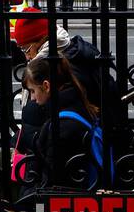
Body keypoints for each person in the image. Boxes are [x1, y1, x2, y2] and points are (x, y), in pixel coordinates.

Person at [10, 8, 123, 182]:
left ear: (41, 41)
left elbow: (46, 120)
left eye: (26, 48)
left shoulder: (57, 66)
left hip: (70, 163)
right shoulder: (68, 53)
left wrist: (23, 141)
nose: (26, 56)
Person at [15, 53, 102, 192]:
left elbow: (53, 183)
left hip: (64, 210)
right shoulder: (77, 103)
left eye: (32, 91)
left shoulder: (60, 127)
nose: (32, 98)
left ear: (46, 86)